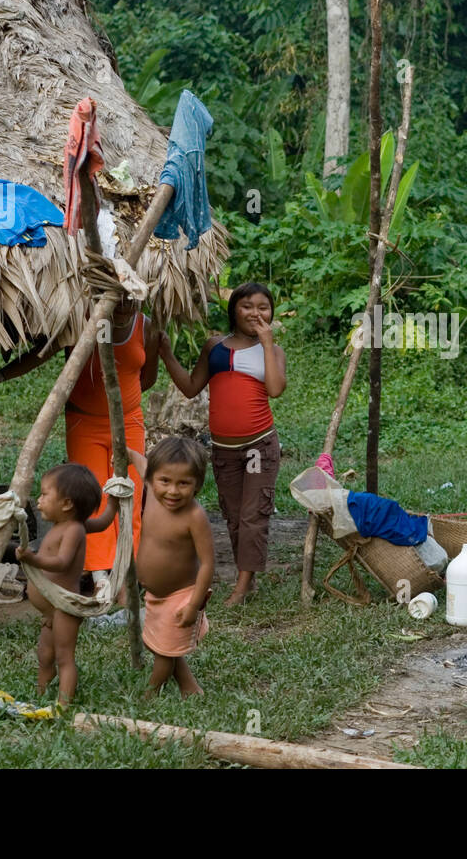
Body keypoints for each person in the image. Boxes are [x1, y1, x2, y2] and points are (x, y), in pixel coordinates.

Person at [0, 297, 164, 589]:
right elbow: (40, 354)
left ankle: (129, 567)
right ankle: (99, 573)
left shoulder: (146, 328)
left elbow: (146, 378)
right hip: (84, 422)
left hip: (129, 423)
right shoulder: (80, 319)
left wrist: (119, 397)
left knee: (130, 494)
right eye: (119, 299)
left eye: (132, 299)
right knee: (93, 495)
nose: (126, 305)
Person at [160, 283, 286, 606]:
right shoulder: (214, 347)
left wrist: (267, 343)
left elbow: (275, 390)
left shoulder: (273, 351)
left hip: (258, 446)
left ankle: (241, 588)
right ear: (234, 311)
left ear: (271, 312)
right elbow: (191, 388)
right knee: (233, 513)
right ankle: (248, 578)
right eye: (247, 306)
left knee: (253, 515)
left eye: (263, 307)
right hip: (223, 449)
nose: (256, 313)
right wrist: (166, 353)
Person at [92, 437, 214, 698]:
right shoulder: (153, 492)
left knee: (164, 653)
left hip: (181, 597)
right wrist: (129, 453)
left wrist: (194, 604)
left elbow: (207, 564)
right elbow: (145, 466)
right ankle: (190, 688)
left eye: (184, 483)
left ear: (197, 484)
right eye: (165, 481)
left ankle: (150, 694)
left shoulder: (194, 517)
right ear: (153, 479)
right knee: (161, 645)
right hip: (155, 596)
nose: (173, 491)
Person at [17, 463, 102, 705]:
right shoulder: (62, 526)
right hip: (50, 610)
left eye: (44, 494)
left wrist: (33, 559)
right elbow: (104, 522)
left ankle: (63, 705)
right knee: (45, 655)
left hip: (64, 607)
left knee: (64, 657)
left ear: (66, 504)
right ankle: (41, 693)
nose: (38, 500)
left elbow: (62, 562)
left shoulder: (74, 530)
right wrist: (115, 503)